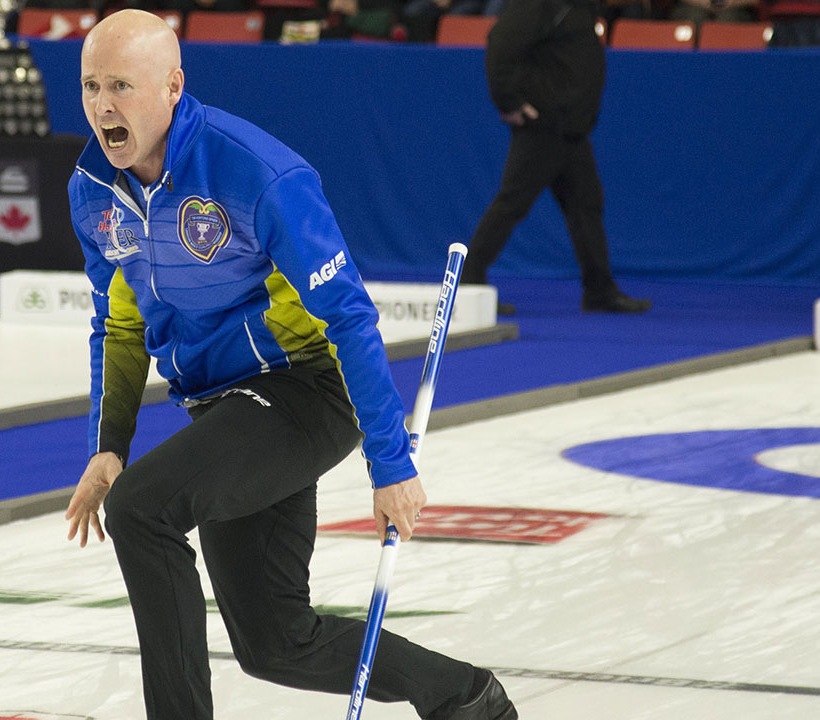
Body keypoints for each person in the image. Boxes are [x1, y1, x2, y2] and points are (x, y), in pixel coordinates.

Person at [63, 10, 517, 720]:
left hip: (307, 388)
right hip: (223, 406)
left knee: (143, 511)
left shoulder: (258, 173)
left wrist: (391, 465)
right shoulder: (92, 190)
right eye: (91, 85)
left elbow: (348, 317)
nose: (103, 105)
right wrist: (107, 447)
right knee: (275, 641)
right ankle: (468, 700)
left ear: (173, 86)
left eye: (121, 84)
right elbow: (118, 325)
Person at [462, 0, 651, 314]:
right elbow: (501, 44)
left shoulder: (577, 7)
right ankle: (467, 283)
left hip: (572, 130)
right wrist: (509, 102)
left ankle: (599, 290)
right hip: (544, 127)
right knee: (511, 204)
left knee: (586, 206)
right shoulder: (541, 5)